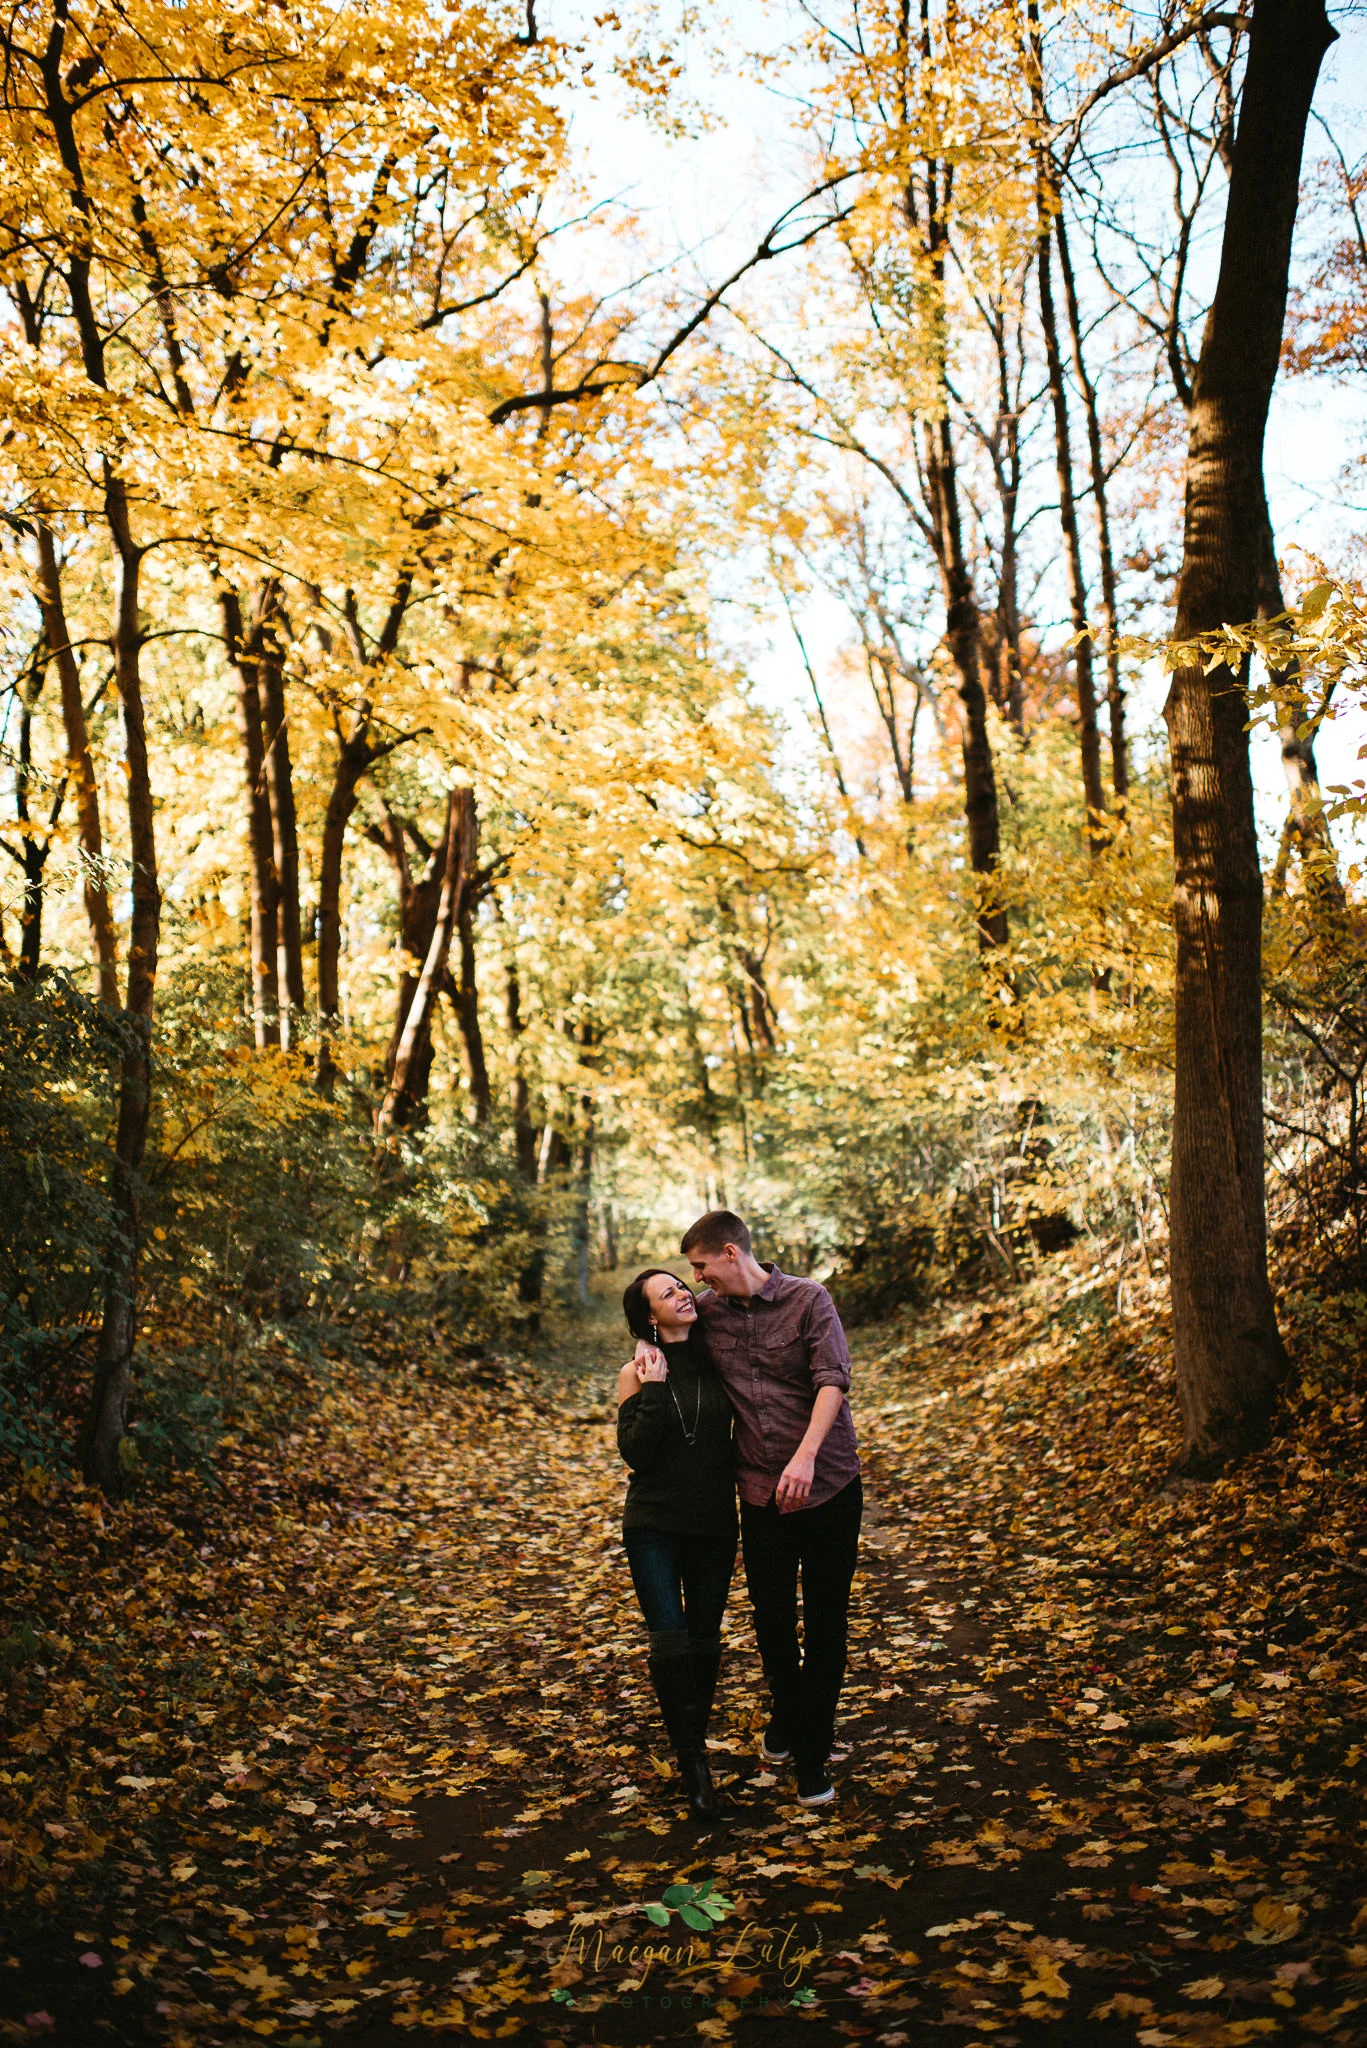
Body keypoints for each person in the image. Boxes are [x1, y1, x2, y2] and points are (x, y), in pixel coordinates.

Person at [636, 1211, 861, 1807]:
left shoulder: (810, 1300)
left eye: (700, 1266)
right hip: (760, 1493)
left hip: (830, 1483)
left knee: (826, 1623)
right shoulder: (707, 1315)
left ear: (731, 1254)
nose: (695, 1279)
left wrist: (806, 1457)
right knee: (773, 1624)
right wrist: (644, 1346)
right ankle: (790, 1714)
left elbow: (832, 1380)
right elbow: (664, 1331)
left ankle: (812, 1754)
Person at [615, 1267, 738, 1823]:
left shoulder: (721, 1361)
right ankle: (694, 1765)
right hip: (653, 1525)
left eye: (683, 1286)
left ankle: (693, 1745)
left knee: (705, 1641)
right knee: (670, 1642)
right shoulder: (633, 1375)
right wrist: (657, 1387)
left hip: (714, 1522)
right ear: (649, 1318)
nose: (684, 1294)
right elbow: (637, 1453)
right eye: (668, 1293)